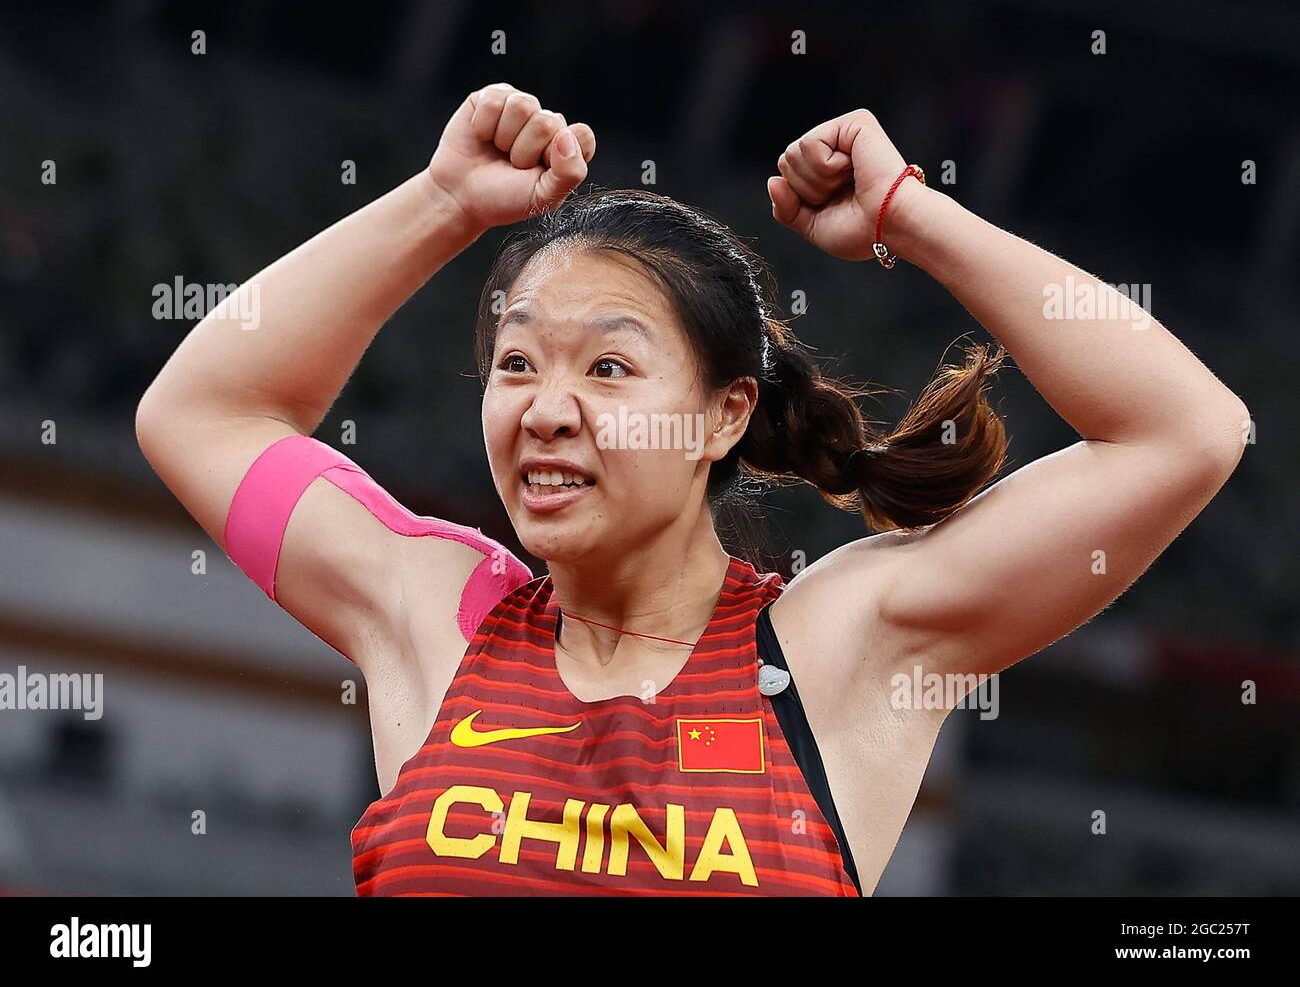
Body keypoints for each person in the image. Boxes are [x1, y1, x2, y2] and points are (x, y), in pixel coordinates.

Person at [136, 82, 1249, 896]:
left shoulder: (842, 648)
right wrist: (440, 203)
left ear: (722, 412)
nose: (546, 405)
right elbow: (199, 411)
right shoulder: (436, 614)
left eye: (607, 367)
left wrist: (912, 214)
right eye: (517, 361)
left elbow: (1185, 430)